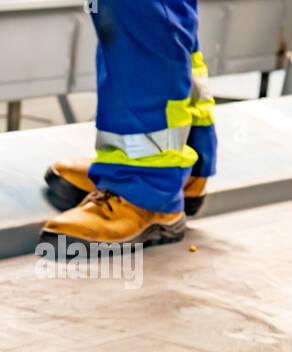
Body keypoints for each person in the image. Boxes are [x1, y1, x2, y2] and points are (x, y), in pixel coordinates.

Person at [41, 0, 216, 248]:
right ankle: (181, 163)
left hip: (149, 183)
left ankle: (145, 183)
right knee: (163, 14)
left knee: (139, 10)